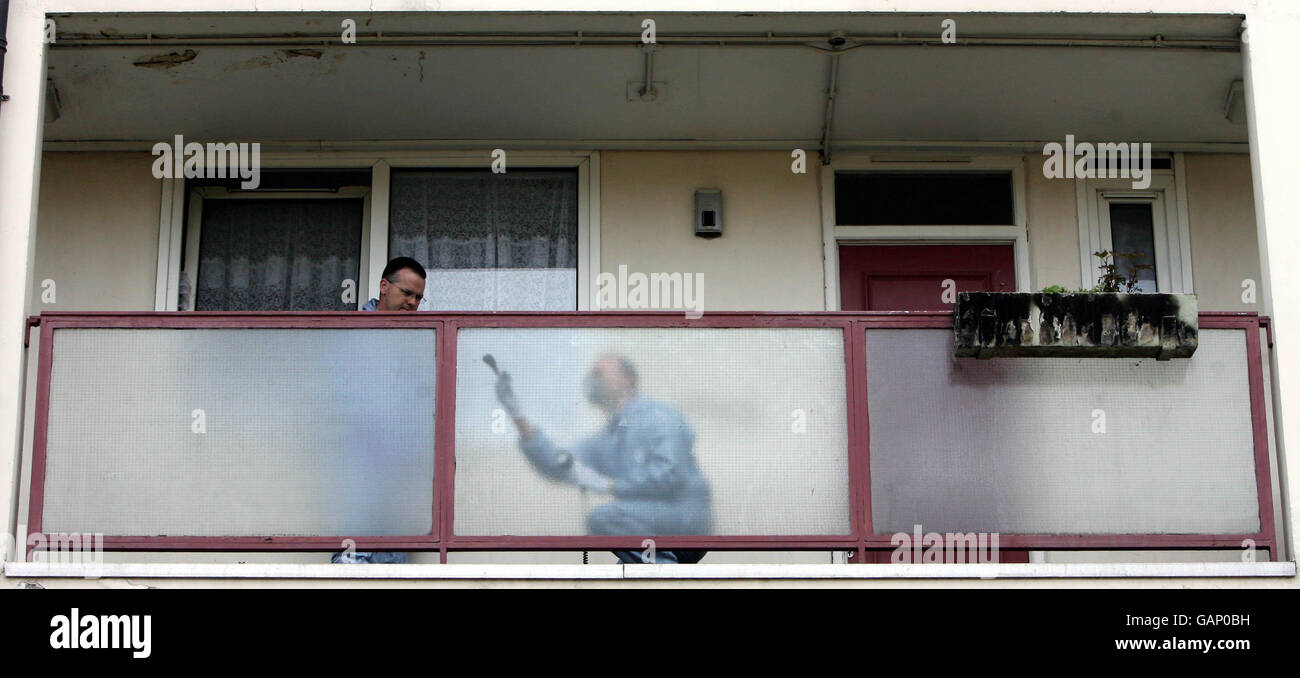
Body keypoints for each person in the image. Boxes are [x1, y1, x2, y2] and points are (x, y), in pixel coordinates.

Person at [496, 353, 712, 564]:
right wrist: (518, 417)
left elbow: (669, 475)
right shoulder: (607, 438)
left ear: (626, 380)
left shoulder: (658, 415)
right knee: (623, 572)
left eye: (599, 372)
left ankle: (665, 579)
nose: (591, 378)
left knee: (604, 517)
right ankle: (660, 571)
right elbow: (563, 464)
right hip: (652, 535)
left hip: (685, 520)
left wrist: (611, 485)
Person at [332, 256, 427, 564]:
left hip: (399, 473)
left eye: (418, 298)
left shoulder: (418, 340)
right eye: (407, 293)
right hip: (356, 468)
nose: (412, 303)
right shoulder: (351, 332)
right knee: (351, 568)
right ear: (384, 286)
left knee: (393, 572)